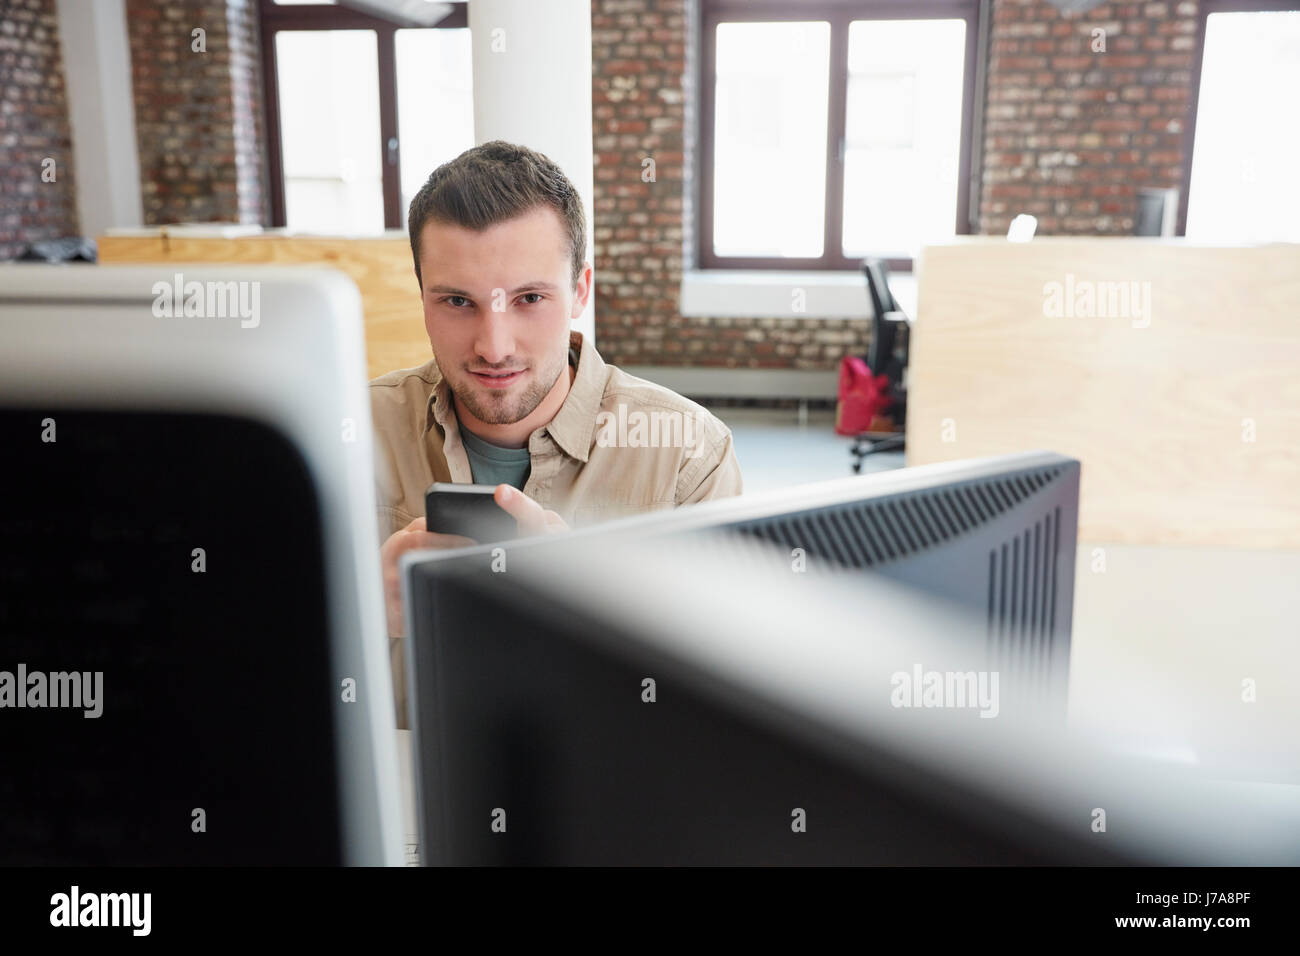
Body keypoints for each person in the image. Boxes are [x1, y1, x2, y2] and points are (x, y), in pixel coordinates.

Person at [371, 140, 743, 727]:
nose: (494, 347)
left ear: (580, 291)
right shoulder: (347, 436)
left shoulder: (688, 456)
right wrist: (361, 615)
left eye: (530, 298)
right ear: (422, 297)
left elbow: (722, 711)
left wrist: (583, 613)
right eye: (457, 301)